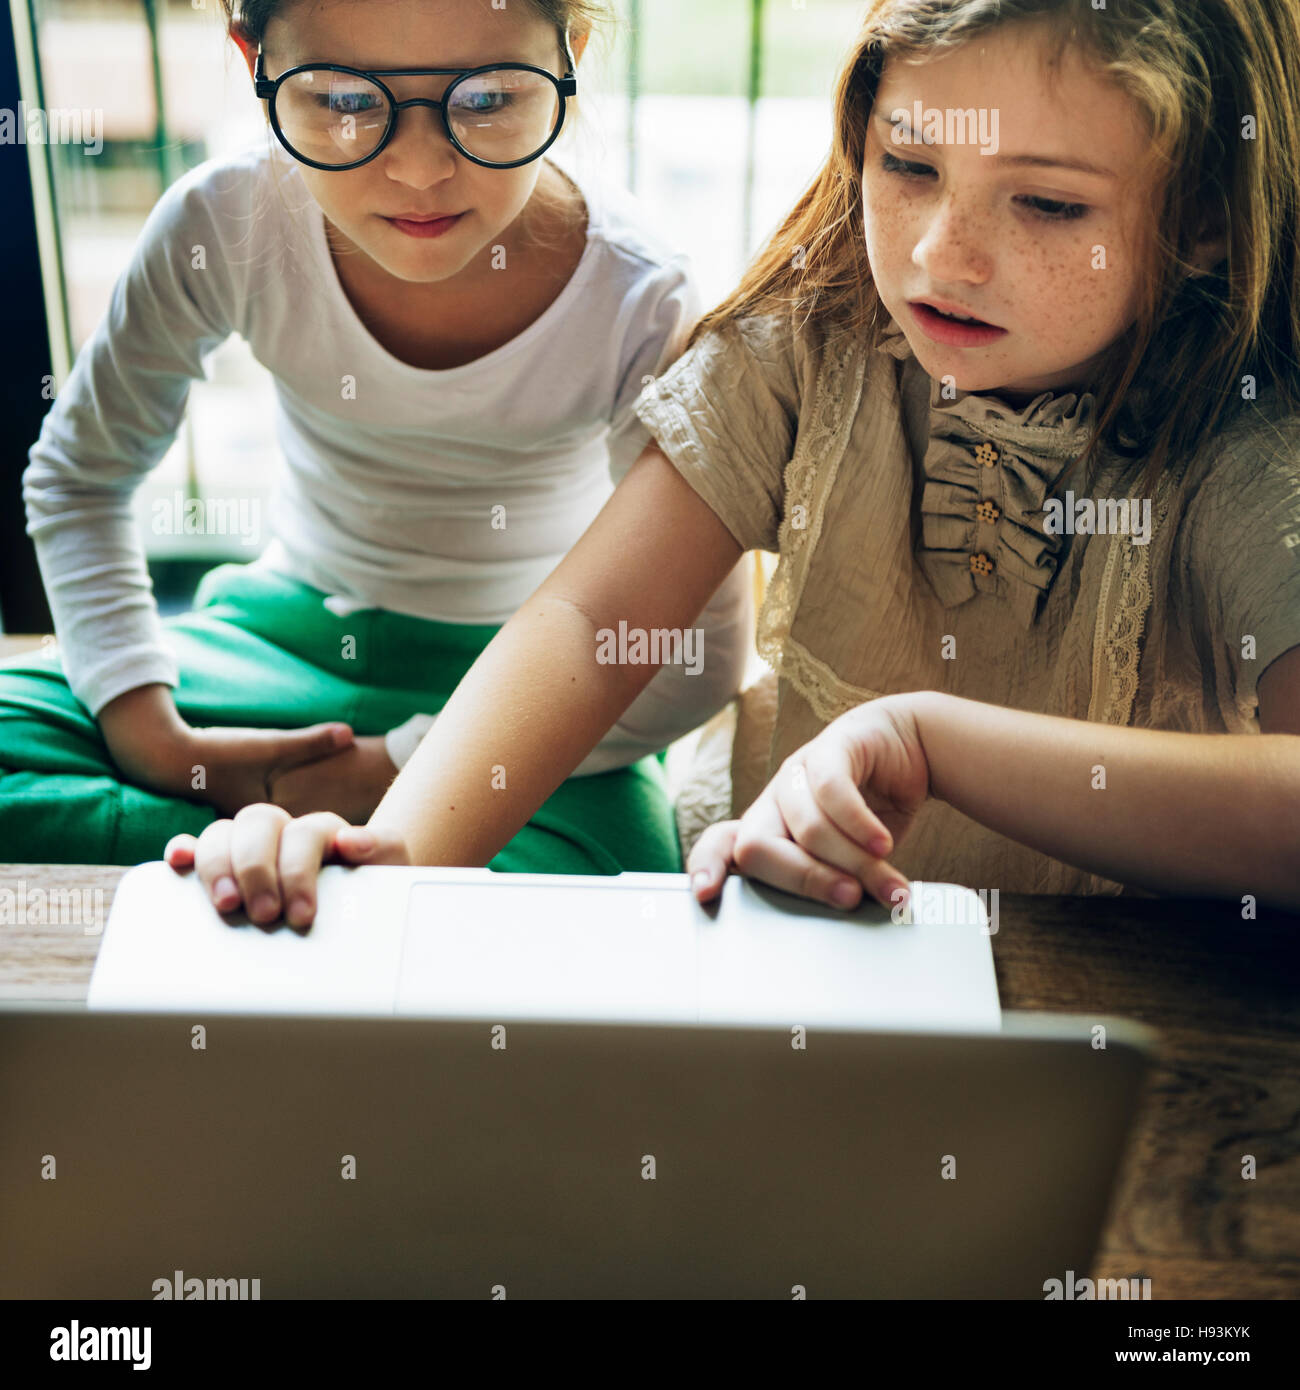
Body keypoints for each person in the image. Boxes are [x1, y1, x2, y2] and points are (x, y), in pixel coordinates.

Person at [168, 0, 1300, 926]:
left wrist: (930, 742)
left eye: (1049, 204)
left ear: (1201, 215)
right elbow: (587, 622)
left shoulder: (1245, 444)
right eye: (907, 166)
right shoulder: (807, 345)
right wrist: (392, 855)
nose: (940, 256)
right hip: (776, 934)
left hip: (1131, 1008)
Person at [5, 0, 750, 870]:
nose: (420, 172)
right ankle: (301, 866)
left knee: (621, 868)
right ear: (254, 62)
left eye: (483, 100)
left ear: (570, 56)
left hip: (534, 681)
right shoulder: (221, 222)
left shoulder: (639, 298)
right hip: (280, 642)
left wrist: (385, 771)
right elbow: (79, 477)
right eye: (346, 101)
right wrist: (155, 741)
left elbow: (695, 657)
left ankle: (254, 860)